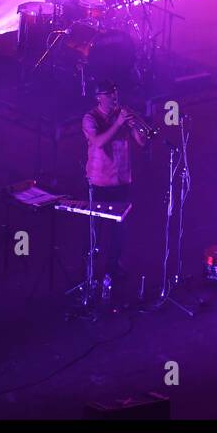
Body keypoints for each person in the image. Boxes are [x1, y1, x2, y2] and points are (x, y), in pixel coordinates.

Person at [81, 81, 148, 287]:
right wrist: (118, 124)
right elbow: (99, 142)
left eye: (115, 94)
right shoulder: (90, 118)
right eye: (110, 95)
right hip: (100, 182)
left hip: (122, 180)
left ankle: (113, 267)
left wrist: (136, 125)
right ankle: (91, 271)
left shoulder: (121, 116)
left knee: (120, 230)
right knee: (96, 231)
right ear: (99, 97)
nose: (114, 98)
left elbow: (142, 142)